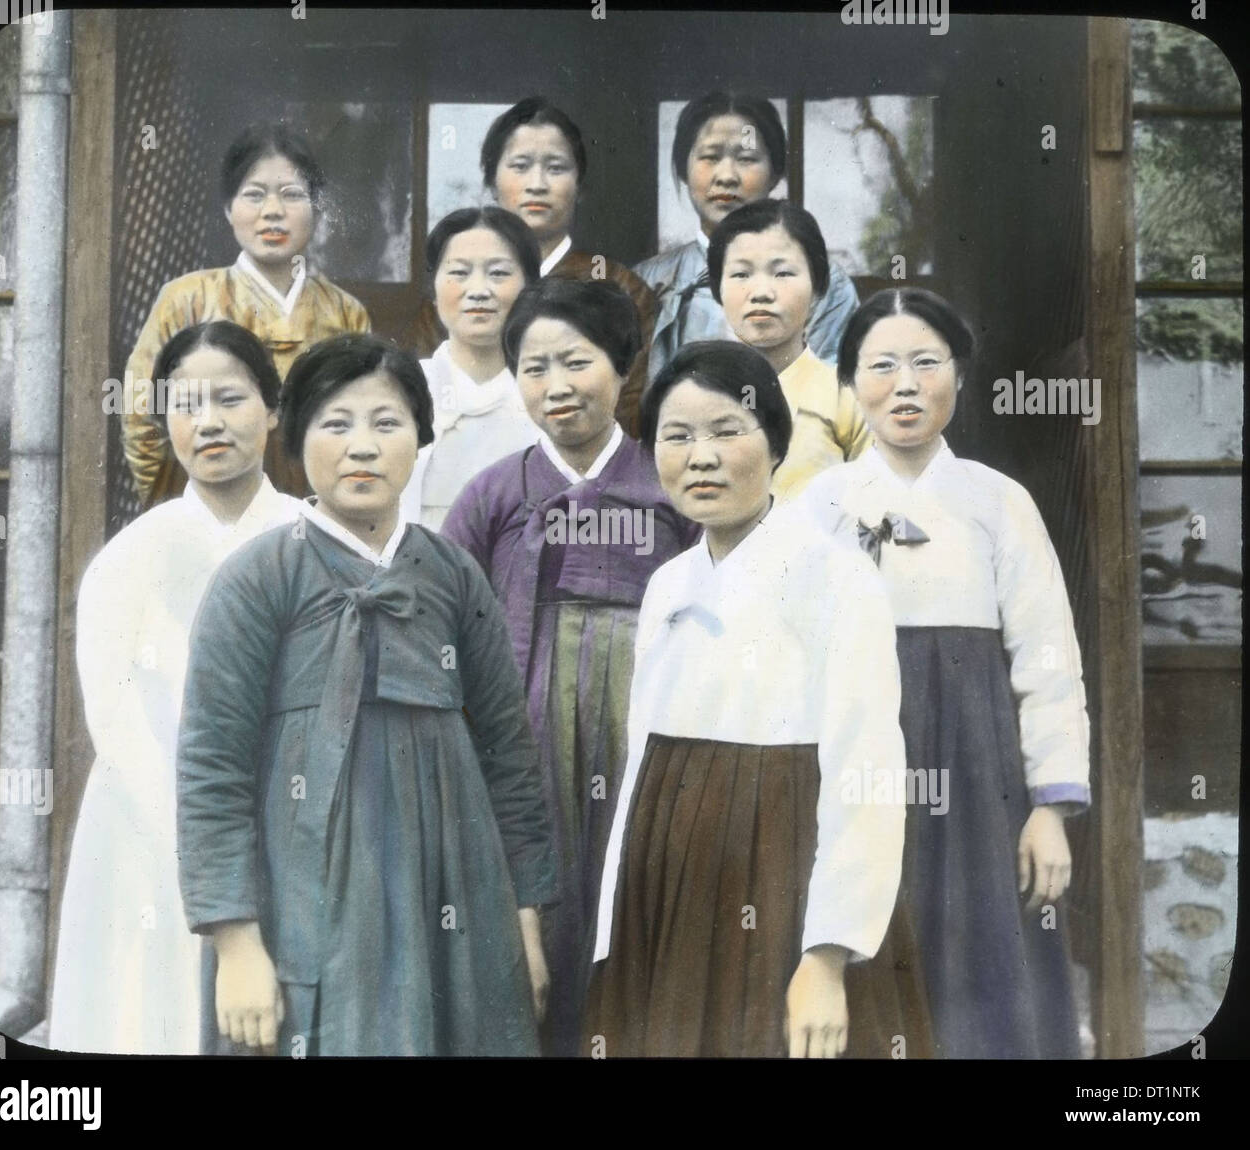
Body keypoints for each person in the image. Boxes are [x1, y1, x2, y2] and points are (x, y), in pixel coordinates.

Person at [175, 333, 557, 1056]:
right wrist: (237, 946)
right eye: (336, 424)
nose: (362, 447)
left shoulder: (452, 574)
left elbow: (510, 752)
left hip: (453, 900)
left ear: (420, 436)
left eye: (387, 424)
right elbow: (211, 770)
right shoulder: (258, 578)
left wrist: (526, 926)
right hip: (306, 902)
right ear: (296, 439)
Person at [587, 341, 930, 1058]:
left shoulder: (836, 577)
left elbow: (866, 770)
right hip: (670, 881)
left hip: (783, 873)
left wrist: (828, 956)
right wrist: (613, 935)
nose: (700, 457)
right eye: (677, 437)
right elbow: (638, 769)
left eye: (726, 430)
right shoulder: (667, 586)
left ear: (775, 443)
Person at [795, 288, 1091, 1058]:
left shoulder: (999, 502)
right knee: (861, 930)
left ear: (956, 377)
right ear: (849, 381)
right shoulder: (821, 505)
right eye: (881, 365)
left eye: (926, 363)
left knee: (978, 956)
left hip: (975, 765)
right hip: (852, 759)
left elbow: (1047, 656)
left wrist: (1050, 808)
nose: (905, 385)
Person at [442, 278, 699, 1054]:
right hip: (528, 738)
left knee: (640, 911)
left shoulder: (673, 485)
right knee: (539, 925)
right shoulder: (495, 492)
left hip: (647, 735)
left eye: (576, 362)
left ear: (624, 367)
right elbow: (446, 620)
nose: (556, 387)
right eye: (533, 366)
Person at [49, 321, 302, 1054]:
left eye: (232, 398)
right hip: (152, 830)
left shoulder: (310, 539)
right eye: (187, 404)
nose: (211, 422)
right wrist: (200, 851)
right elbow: (118, 721)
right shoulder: (131, 559)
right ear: (164, 422)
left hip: (291, 818)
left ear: (274, 409)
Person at [121, 123, 371, 508]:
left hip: (317, 513)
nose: (273, 211)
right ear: (228, 209)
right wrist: (175, 507)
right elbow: (142, 415)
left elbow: (359, 420)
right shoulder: (184, 300)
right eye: (254, 195)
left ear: (316, 208)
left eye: (292, 195)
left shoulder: (345, 312)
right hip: (204, 508)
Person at [408, 98, 658, 437]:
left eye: (555, 168)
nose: (537, 183)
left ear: (579, 185)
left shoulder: (621, 286)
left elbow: (629, 412)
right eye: (520, 165)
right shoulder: (453, 292)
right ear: (492, 183)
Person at [635, 91, 859, 383]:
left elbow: (831, 393)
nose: (726, 175)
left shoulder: (828, 284)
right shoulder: (644, 283)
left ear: (776, 172)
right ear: (682, 169)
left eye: (746, 158)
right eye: (710, 157)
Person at [708, 197, 870, 502]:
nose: (761, 293)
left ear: (818, 288)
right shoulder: (693, 396)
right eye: (741, 274)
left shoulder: (848, 397)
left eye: (782, 273)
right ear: (718, 290)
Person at [400, 206, 541, 531]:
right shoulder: (401, 387)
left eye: (498, 273)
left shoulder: (547, 393)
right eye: (459, 273)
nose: (478, 290)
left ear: (530, 287)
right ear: (433, 287)